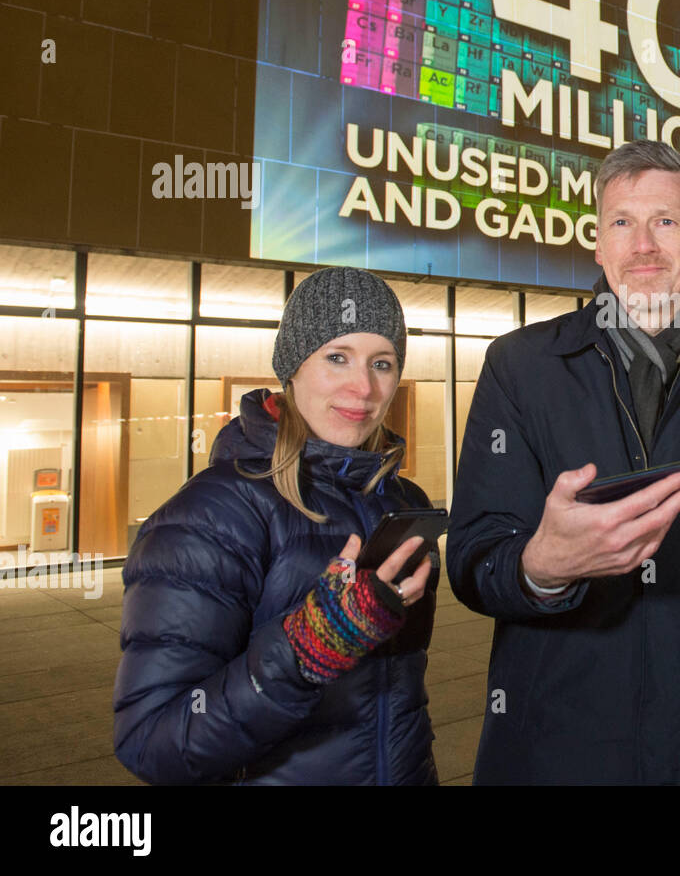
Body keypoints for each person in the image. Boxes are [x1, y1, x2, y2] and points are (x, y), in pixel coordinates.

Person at [446, 139, 680, 784]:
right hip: (556, 754)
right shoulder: (519, 368)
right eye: (621, 222)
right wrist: (540, 567)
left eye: (665, 221)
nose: (642, 245)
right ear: (597, 243)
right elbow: (473, 555)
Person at [114, 267, 440, 785]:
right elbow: (153, 743)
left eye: (382, 363)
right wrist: (310, 648)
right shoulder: (212, 514)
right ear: (292, 366)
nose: (363, 387)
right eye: (337, 357)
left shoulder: (401, 502)